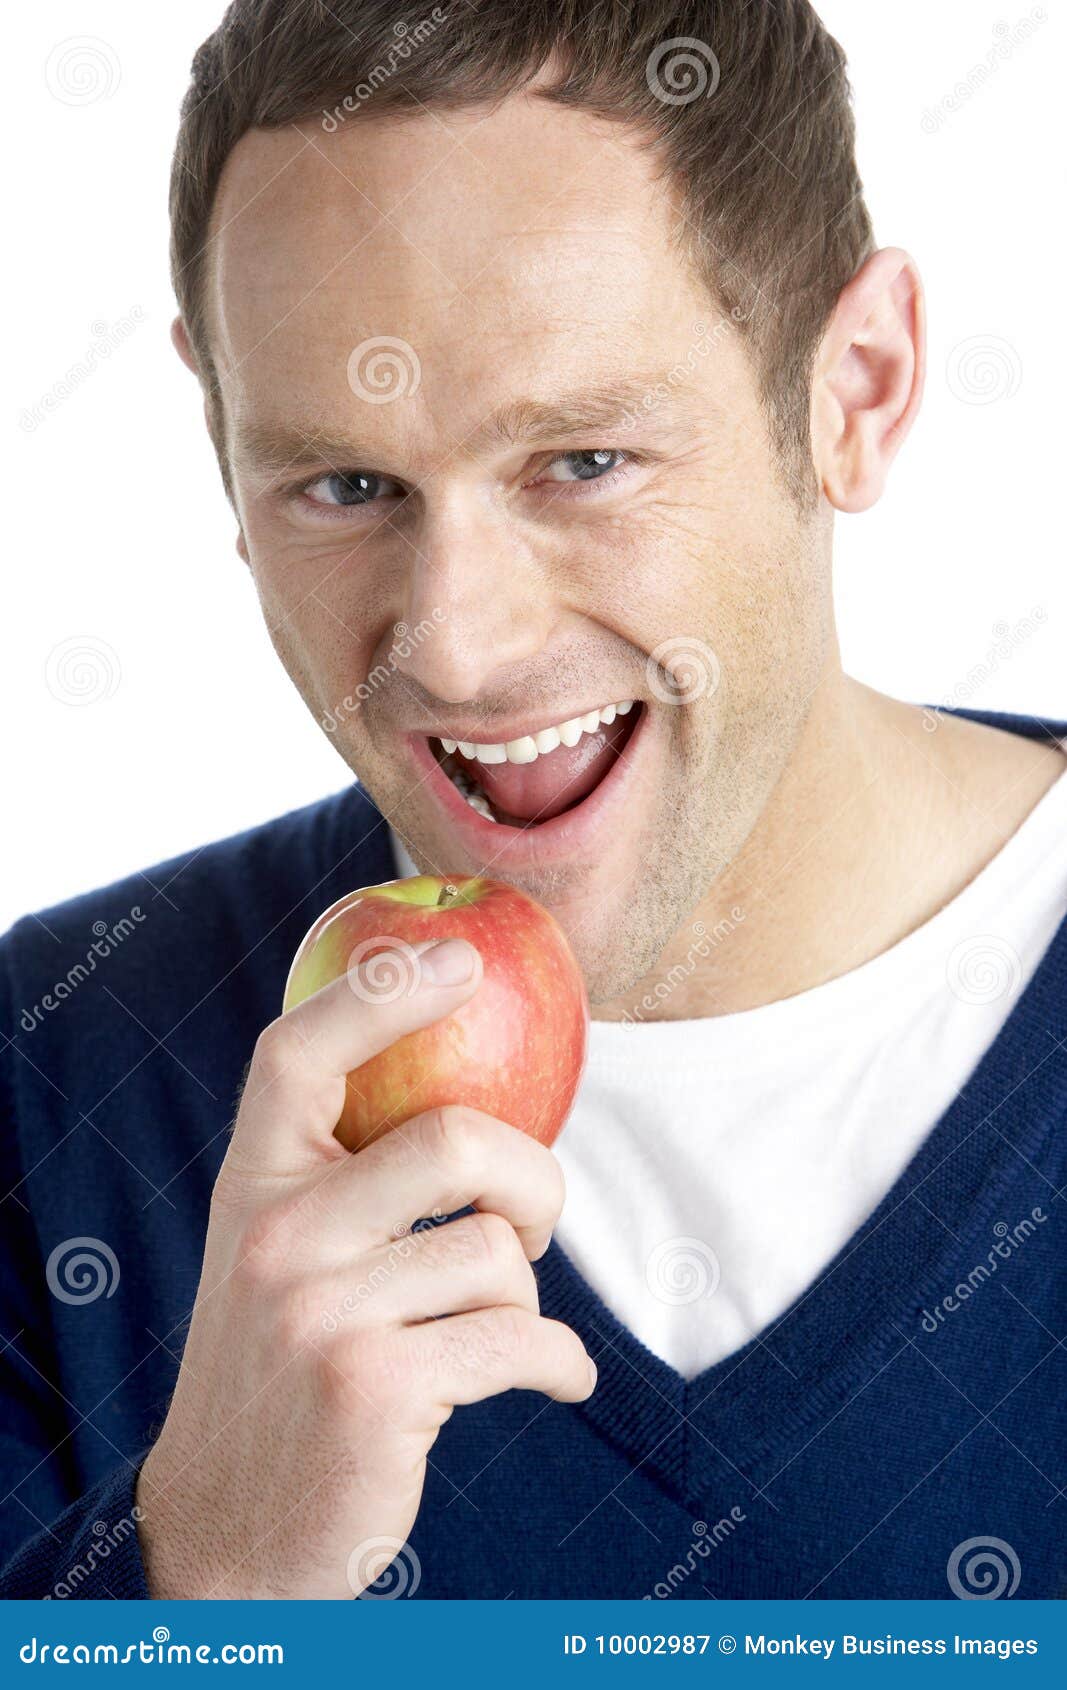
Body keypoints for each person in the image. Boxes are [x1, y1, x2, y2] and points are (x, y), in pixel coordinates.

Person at [2, 0, 1064, 1602]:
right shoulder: (59, 1091)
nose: (456, 642)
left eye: (581, 460)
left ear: (857, 385)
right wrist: (204, 1588)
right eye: (346, 486)